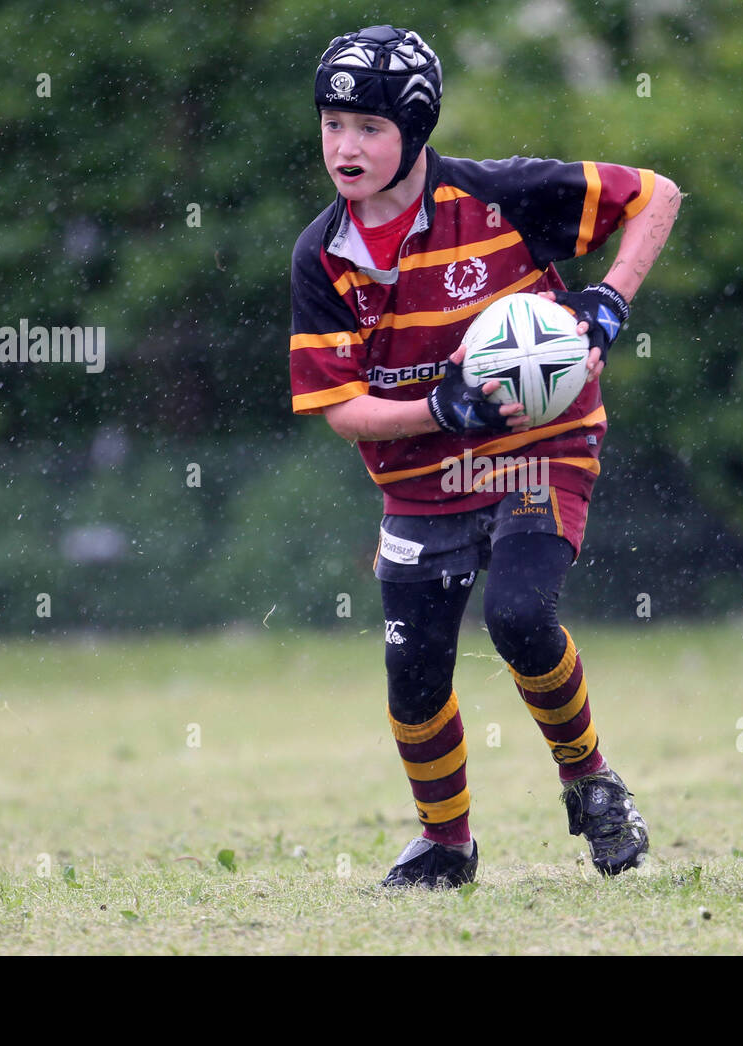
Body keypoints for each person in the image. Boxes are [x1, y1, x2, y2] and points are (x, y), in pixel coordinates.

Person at [289, 25, 680, 887]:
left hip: (541, 451)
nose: (345, 148)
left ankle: (594, 786)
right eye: (332, 124)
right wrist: (438, 406)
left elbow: (658, 194)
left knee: (518, 615)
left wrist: (608, 305)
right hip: (422, 484)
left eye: (369, 128)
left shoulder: (506, 195)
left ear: (416, 132)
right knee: (413, 673)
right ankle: (446, 845)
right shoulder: (321, 256)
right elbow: (341, 409)